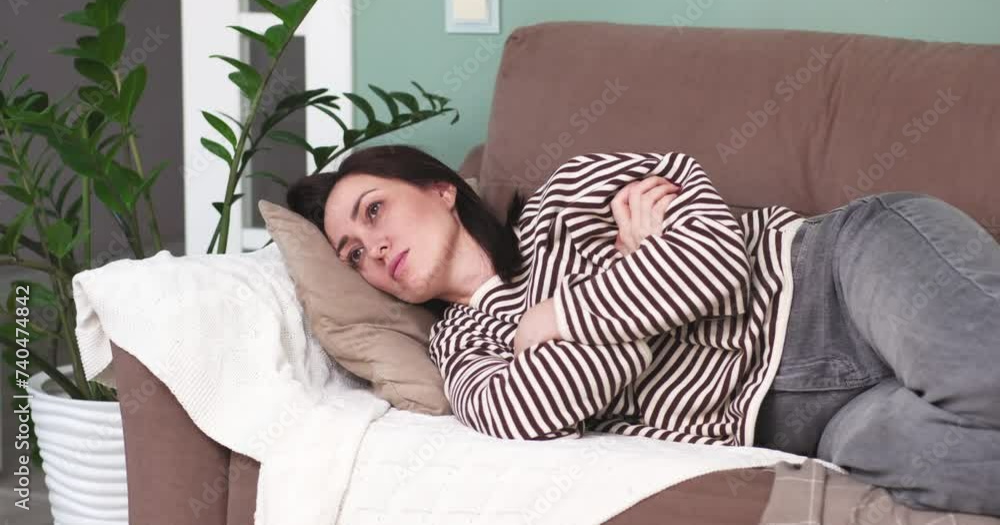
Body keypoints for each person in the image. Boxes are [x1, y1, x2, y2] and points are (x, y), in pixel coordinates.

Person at [286, 144, 1000, 517]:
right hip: (813, 421)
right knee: (963, 466)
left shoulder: (571, 195)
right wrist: (637, 271)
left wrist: (559, 317)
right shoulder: (463, 352)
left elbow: (712, 262)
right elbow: (535, 408)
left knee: (987, 378)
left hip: (834, 270)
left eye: (373, 211)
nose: (370, 248)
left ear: (440, 189)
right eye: (351, 253)